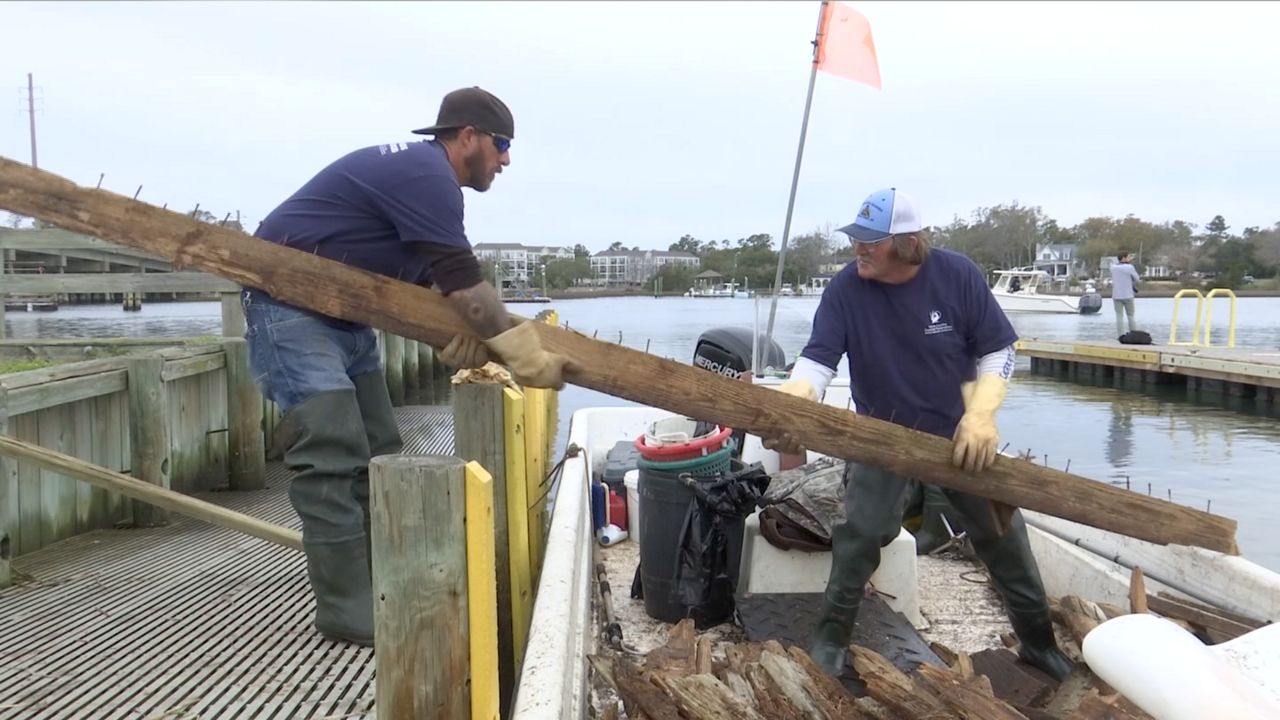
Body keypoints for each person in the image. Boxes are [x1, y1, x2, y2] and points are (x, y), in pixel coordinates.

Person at [242, 86, 569, 647]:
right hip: (288, 307)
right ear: (467, 136)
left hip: (345, 318)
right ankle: (347, 611)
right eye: (501, 144)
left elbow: (431, 292)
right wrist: (523, 355)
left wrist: (458, 343)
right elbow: (465, 284)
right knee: (332, 452)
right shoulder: (426, 174)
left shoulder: (427, 184)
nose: (507, 159)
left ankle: (381, 581)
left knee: (380, 449)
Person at [763, 188, 1074, 682]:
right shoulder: (846, 288)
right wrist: (797, 400)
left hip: (958, 437)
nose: (858, 249)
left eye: (871, 242)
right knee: (861, 534)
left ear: (908, 243)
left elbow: (999, 350)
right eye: (856, 239)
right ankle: (831, 641)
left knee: (1004, 539)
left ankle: (1039, 644)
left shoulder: (957, 275)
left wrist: (981, 414)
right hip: (883, 435)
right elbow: (819, 359)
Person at [1110, 251, 1141, 339]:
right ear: (1124, 258)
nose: (1130, 259)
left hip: (1116, 295)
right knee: (1130, 315)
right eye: (1128, 257)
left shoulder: (1113, 267)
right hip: (1128, 295)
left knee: (1119, 316)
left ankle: (1120, 335)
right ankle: (1133, 334)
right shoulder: (1129, 267)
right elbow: (1137, 279)